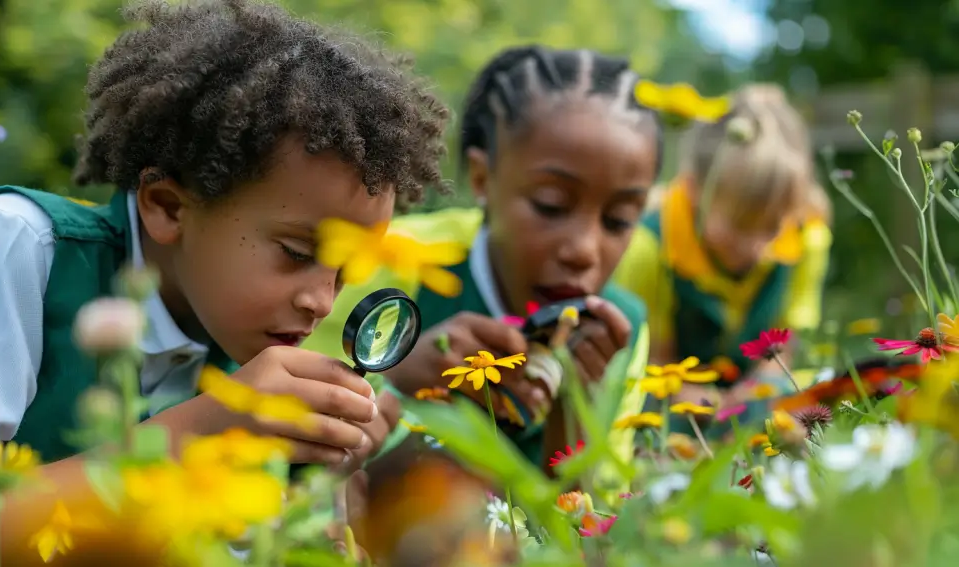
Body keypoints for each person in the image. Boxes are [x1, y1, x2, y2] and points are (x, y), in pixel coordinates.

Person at [0, 0, 448, 563]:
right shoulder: (22, 247)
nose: (321, 302)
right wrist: (201, 432)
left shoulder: (244, 364)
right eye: (295, 252)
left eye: (347, 272)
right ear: (167, 207)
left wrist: (310, 503)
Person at [303, 45, 662, 474]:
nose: (584, 251)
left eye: (619, 220)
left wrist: (578, 414)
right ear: (481, 179)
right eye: (550, 205)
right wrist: (395, 381)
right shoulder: (389, 262)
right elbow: (279, 435)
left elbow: (593, 523)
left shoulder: (622, 328)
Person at [615, 83, 832, 435]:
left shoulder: (807, 237)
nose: (758, 248)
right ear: (695, 189)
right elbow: (653, 361)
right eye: (740, 226)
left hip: (751, 395)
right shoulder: (650, 246)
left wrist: (751, 390)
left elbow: (781, 352)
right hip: (673, 398)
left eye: (773, 227)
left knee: (794, 408)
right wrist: (696, 397)